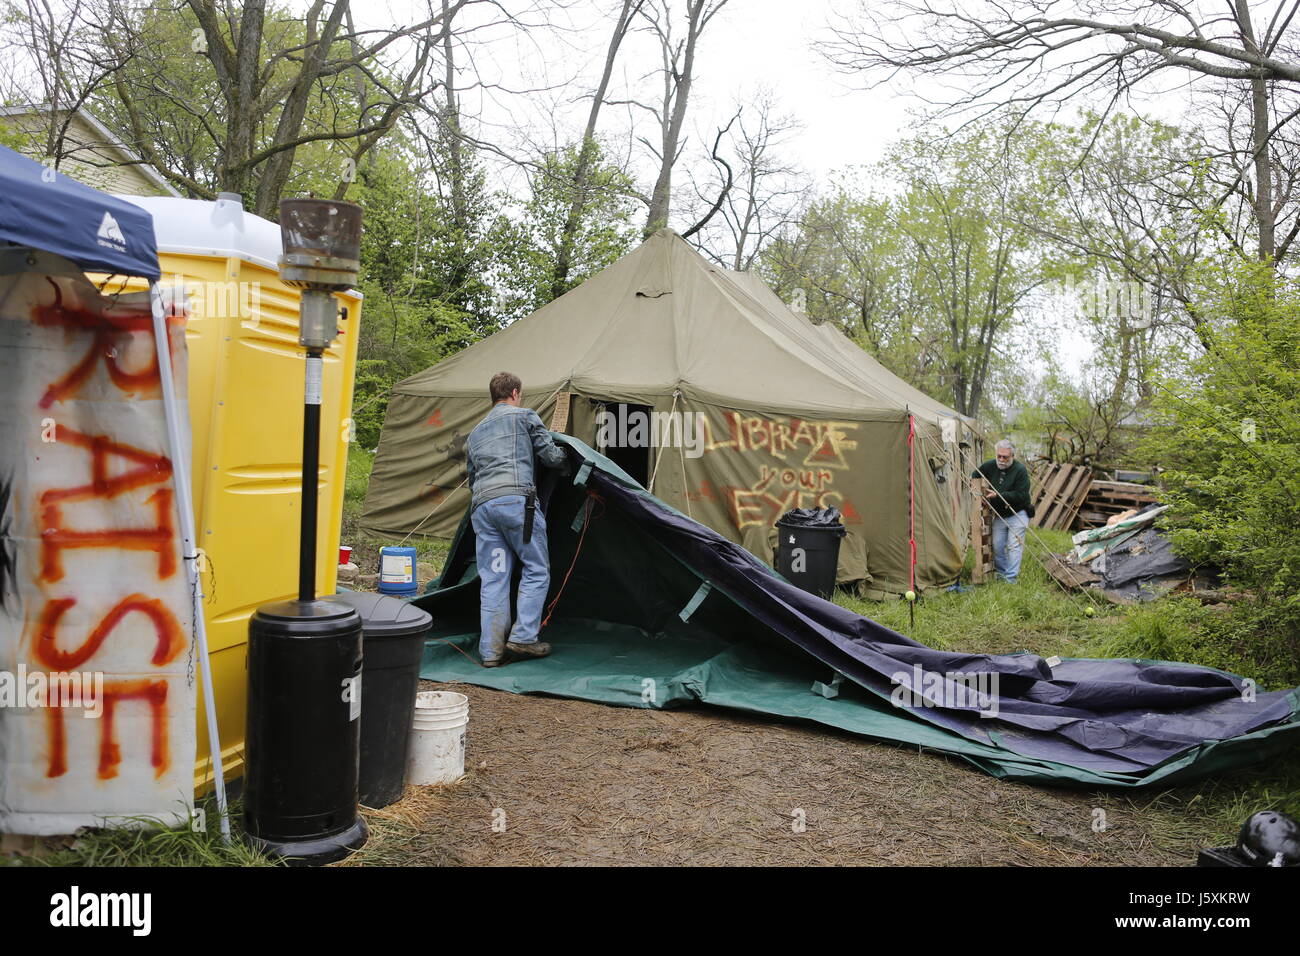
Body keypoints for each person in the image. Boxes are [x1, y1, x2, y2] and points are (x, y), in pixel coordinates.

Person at [465, 372, 568, 666]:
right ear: (514, 393)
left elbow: (473, 478)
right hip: (516, 504)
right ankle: (524, 638)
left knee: (494, 579)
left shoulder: (475, 433)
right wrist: (568, 460)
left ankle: (490, 652)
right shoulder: (524, 416)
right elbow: (550, 456)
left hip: (483, 510)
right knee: (535, 568)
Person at [971, 439, 1033, 582]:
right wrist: (979, 492)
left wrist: (999, 495)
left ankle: (1011, 579)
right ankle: (1002, 573)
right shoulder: (991, 465)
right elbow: (975, 475)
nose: (1001, 460)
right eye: (999, 456)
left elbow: (1022, 495)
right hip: (1000, 514)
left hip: (1018, 512)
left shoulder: (1020, 470)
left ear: (1012, 456)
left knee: (1014, 546)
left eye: (1005, 457)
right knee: (997, 545)